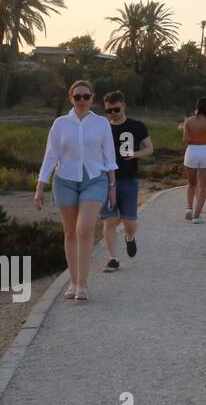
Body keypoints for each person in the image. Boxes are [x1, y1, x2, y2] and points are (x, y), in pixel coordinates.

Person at [34, 80, 117, 302]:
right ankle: (73, 282)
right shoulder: (60, 124)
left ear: (92, 98)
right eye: (77, 97)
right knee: (70, 233)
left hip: (94, 179)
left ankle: (83, 284)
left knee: (85, 229)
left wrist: (112, 186)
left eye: (86, 96)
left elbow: (109, 157)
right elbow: (51, 155)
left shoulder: (101, 123)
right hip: (65, 180)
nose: (82, 101)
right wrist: (41, 185)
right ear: (71, 98)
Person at [100, 91, 152, 272]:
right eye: (109, 111)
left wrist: (135, 154)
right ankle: (113, 258)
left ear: (124, 106)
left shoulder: (137, 126)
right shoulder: (103, 128)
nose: (112, 113)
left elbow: (149, 148)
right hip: (105, 181)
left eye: (116, 109)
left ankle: (130, 237)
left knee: (129, 222)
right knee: (109, 221)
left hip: (129, 180)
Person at [181, 97, 206, 223]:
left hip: (191, 151)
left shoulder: (189, 121)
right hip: (205, 152)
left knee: (191, 183)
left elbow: (185, 140)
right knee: (203, 186)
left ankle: (189, 208)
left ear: (196, 108)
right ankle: (197, 216)